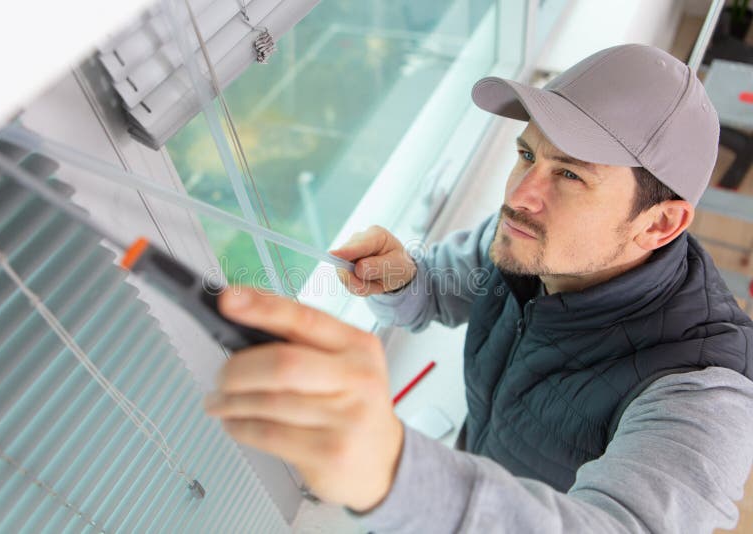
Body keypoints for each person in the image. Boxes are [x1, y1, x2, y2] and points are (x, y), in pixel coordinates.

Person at [204, 44, 753, 532]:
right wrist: (405, 279)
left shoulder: (704, 392)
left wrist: (396, 474)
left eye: (570, 175)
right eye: (527, 155)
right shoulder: (525, 238)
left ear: (658, 224)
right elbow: (438, 292)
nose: (520, 194)